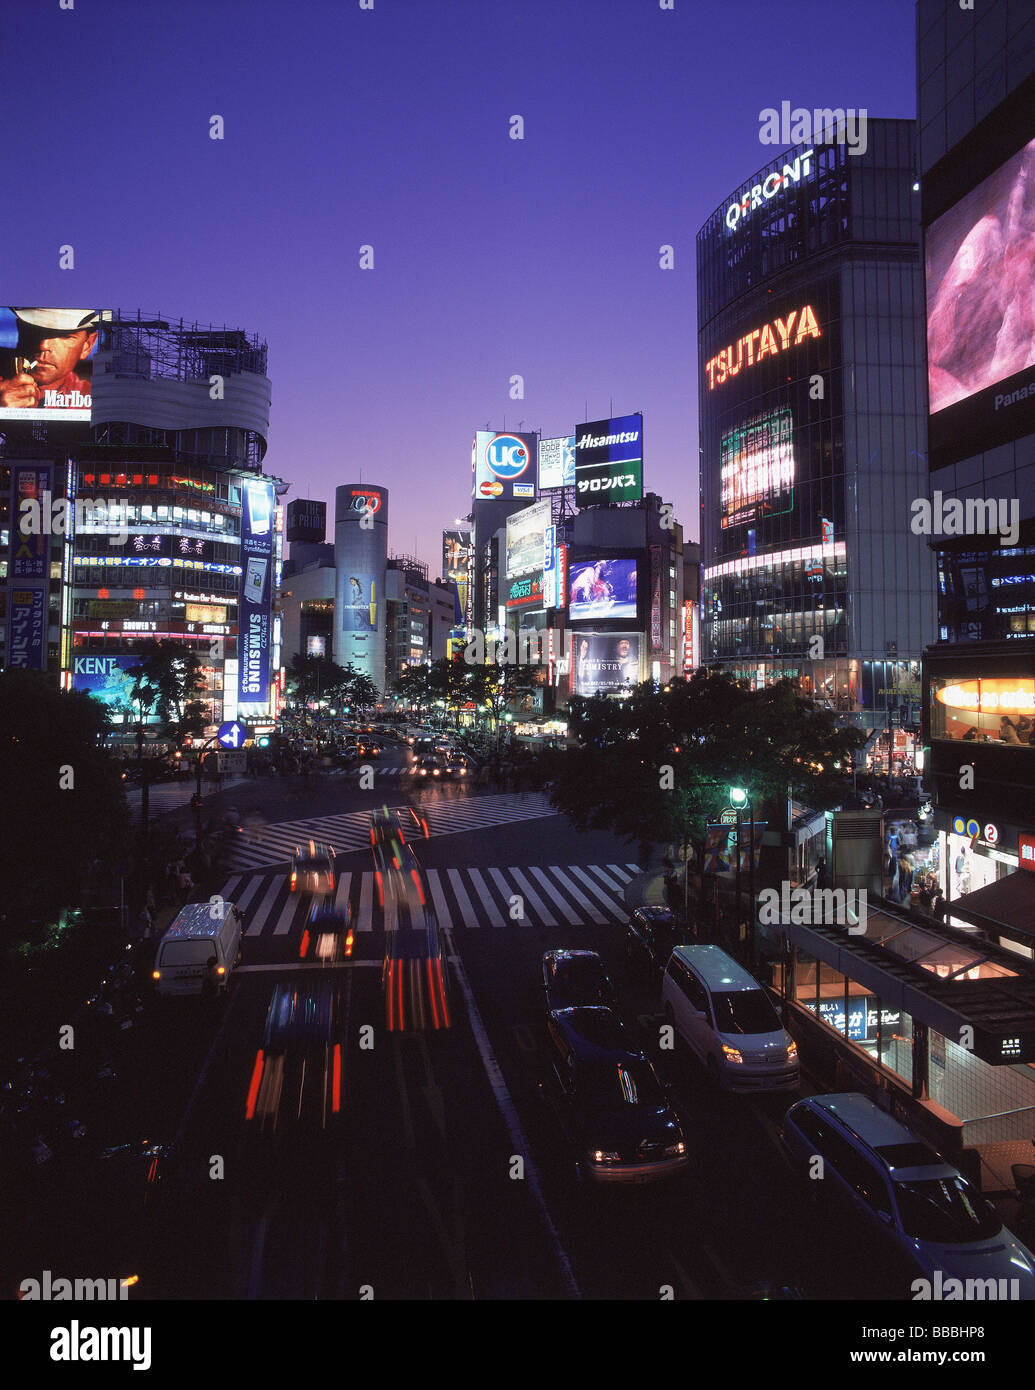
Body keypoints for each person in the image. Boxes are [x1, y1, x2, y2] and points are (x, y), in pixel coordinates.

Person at [0, 307, 100, 412]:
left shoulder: (97, 403)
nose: (43, 345)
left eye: (64, 336)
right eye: (33, 330)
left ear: (87, 345)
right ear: (21, 330)